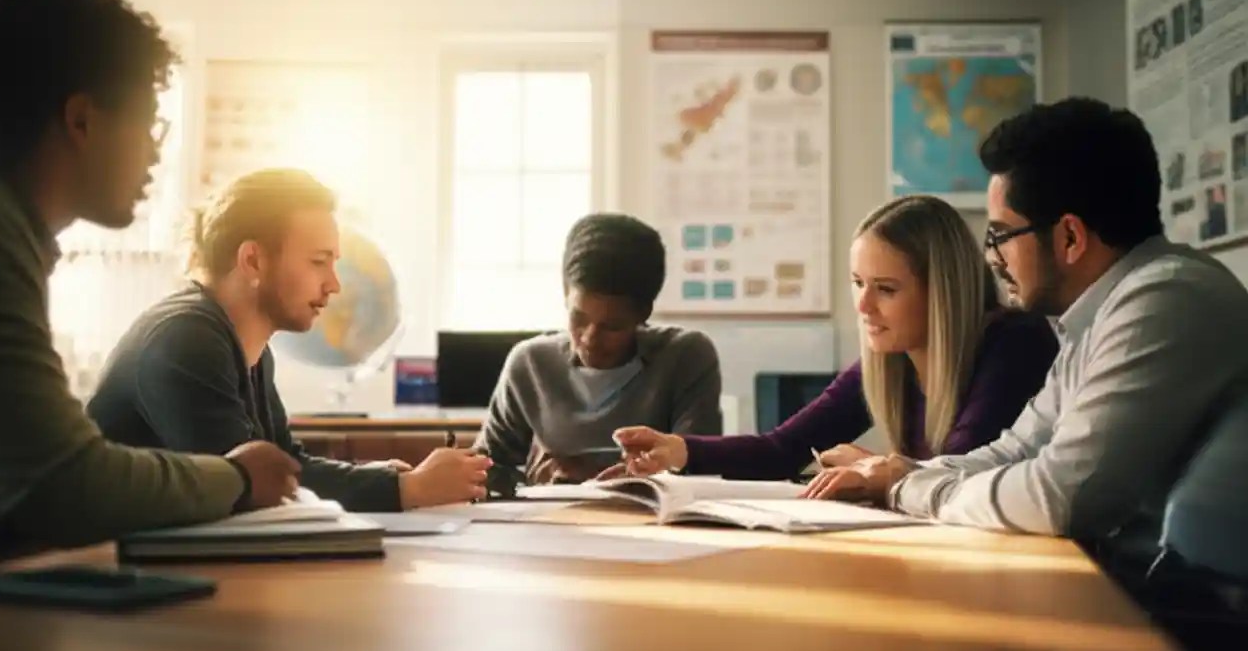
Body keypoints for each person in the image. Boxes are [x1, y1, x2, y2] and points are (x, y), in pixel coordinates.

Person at [808, 98, 1248, 541]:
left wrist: (908, 488)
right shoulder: (1094, 316)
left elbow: (1059, 497)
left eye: (1000, 235)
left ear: (1070, 237)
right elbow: (1018, 449)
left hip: (1192, 601)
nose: (991, 258)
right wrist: (901, 472)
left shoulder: (1162, 300)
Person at [0, 0, 300, 562]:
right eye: (150, 124)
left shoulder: (3, 230)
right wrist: (238, 478)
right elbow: (62, 485)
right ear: (81, 121)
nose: (155, 152)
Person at [88, 169, 490, 511]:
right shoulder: (185, 339)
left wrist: (383, 478)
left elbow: (283, 466)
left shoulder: (249, 347)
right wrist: (407, 490)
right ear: (253, 261)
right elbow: (249, 490)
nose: (333, 285)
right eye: (319, 262)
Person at [615, 195, 1058, 486]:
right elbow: (781, 450)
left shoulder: (1013, 343)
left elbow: (959, 474)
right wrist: (678, 449)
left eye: (886, 289)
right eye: (857, 282)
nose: (863, 306)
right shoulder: (891, 359)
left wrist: (873, 471)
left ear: (943, 294)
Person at [474, 213, 722, 490]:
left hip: (650, 524)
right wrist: (532, 479)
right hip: (552, 523)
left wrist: (629, 478)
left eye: (613, 326)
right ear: (565, 293)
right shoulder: (530, 364)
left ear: (643, 313)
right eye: (578, 318)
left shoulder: (685, 357)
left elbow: (699, 465)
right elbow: (486, 470)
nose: (590, 338)